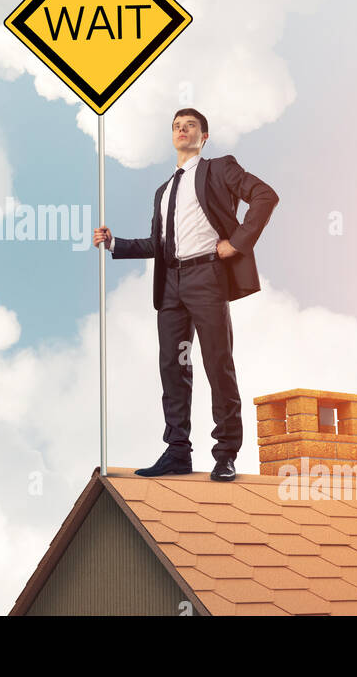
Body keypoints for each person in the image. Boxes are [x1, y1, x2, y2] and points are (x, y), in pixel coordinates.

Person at [93, 108, 279, 481]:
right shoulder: (163, 191)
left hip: (207, 277)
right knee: (174, 368)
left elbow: (264, 195)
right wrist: (116, 244)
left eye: (190, 125)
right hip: (172, 286)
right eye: (177, 126)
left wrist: (238, 243)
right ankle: (177, 452)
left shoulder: (220, 169)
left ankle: (225, 454)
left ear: (203, 136)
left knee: (217, 364)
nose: (182, 130)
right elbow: (158, 244)